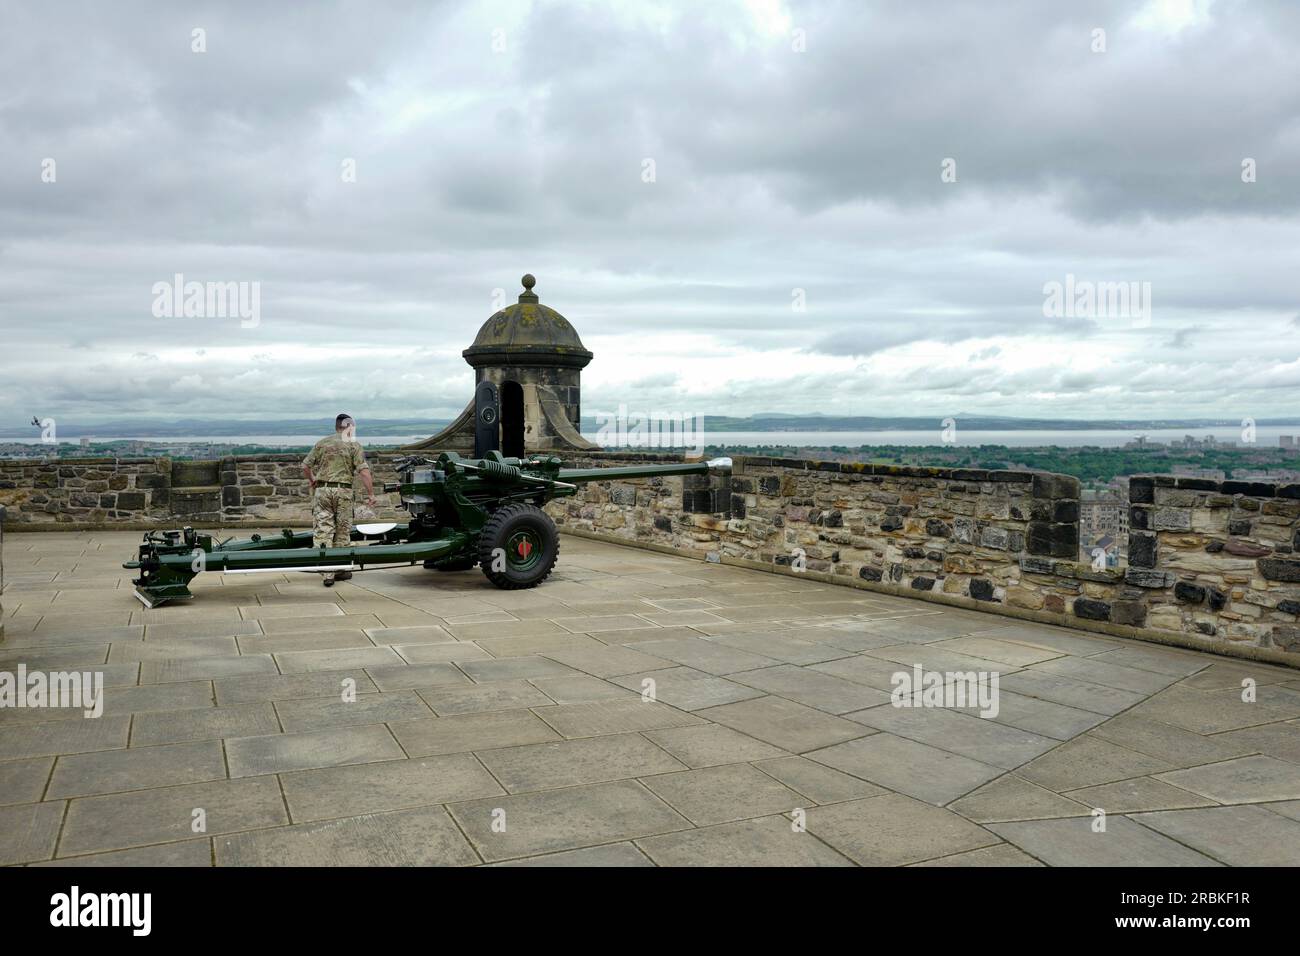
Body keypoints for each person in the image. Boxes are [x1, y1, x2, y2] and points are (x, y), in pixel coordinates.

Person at [302, 413, 376, 586]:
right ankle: (341, 568)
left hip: (322, 491)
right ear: (349, 426)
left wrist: (313, 480)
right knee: (342, 530)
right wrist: (371, 494)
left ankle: (327, 573)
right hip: (343, 491)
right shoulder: (353, 445)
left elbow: (305, 466)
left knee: (323, 530)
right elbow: (363, 472)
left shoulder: (322, 443)